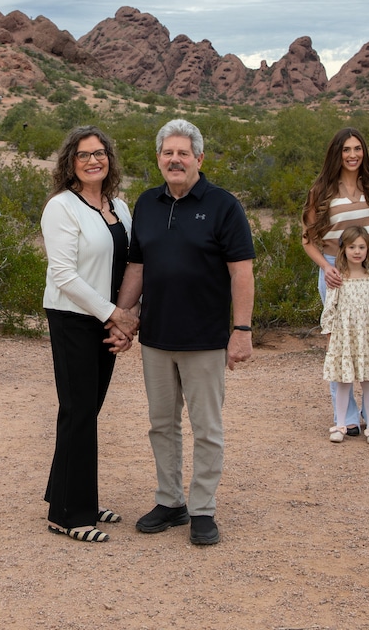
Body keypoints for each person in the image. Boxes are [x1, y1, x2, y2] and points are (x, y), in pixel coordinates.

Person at [113, 119, 255, 547]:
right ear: (158, 158)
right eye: (167, 153)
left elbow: (241, 272)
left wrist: (242, 330)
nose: (175, 159)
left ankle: (203, 508)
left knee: (206, 427)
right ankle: (170, 500)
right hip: (157, 337)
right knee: (162, 424)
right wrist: (123, 316)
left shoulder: (223, 205)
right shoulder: (148, 203)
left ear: (199, 158)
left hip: (205, 338)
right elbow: (137, 265)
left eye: (183, 152)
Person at [41, 126, 138, 544]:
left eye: (100, 153)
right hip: (73, 318)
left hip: (107, 318)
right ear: (70, 163)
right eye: (83, 155)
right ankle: (69, 514)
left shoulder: (120, 205)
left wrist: (126, 316)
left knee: (86, 412)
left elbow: (134, 263)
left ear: (110, 159)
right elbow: (63, 274)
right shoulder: (62, 207)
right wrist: (114, 314)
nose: (93, 160)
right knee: (78, 411)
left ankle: (69, 494)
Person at [301, 128, 369, 435]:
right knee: (340, 343)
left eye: (357, 149)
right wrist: (324, 267)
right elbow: (307, 239)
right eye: (346, 150)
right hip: (334, 268)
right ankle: (348, 418)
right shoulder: (322, 189)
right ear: (336, 154)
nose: (352, 155)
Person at [320, 227, 369, 444]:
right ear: (344, 250)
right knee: (343, 381)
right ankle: (341, 424)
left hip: (368, 337)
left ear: (368, 250)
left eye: (361, 247)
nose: (357, 252)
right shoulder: (338, 277)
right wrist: (329, 333)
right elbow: (330, 307)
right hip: (345, 336)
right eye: (352, 247)